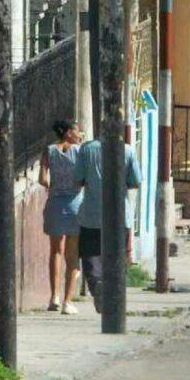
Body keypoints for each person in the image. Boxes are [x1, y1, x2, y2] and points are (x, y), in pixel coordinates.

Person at [75, 128, 143, 310]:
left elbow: (78, 179)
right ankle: (112, 294)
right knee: (116, 256)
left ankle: (97, 283)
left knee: (90, 255)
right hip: (119, 215)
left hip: (91, 214)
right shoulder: (127, 150)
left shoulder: (86, 149)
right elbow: (135, 181)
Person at [38, 119, 85, 313]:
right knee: (72, 255)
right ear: (67, 133)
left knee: (55, 251)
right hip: (75, 204)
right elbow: (83, 179)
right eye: (76, 130)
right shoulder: (79, 151)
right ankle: (68, 302)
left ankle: (54, 297)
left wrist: (54, 187)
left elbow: (42, 179)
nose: (78, 134)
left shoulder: (49, 151)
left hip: (55, 204)